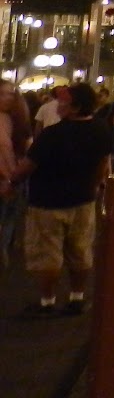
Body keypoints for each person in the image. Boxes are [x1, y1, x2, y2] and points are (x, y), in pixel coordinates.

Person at [2, 82, 114, 317]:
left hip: (48, 201)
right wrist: (93, 187)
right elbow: (103, 164)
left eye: (63, 102)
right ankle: (77, 297)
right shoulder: (101, 129)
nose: (59, 106)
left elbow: (28, 166)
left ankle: (47, 301)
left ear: (75, 107)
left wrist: (12, 182)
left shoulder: (53, 135)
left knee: (47, 254)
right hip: (83, 199)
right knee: (81, 250)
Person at [0, 79, 35, 271]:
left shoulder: (18, 118)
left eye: (10, 94)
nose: (7, 98)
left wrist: (16, 175)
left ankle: (3, 248)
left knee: (10, 217)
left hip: (16, 177)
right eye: (3, 94)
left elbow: (29, 147)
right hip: (5, 176)